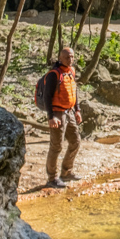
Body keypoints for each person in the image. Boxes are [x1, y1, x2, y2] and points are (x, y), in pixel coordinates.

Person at [38, 46, 82, 189]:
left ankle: (66, 172)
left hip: (69, 112)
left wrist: (77, 110)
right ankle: (52, 178)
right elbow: (46, 97)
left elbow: (74, 91)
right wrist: (51, 117)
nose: (70, 59)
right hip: (57, 113)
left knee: (75, 141)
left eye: (72, 57)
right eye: (67, 57)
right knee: (56, 146)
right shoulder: (53, 74)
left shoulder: (71, 72)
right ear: (60, 58)